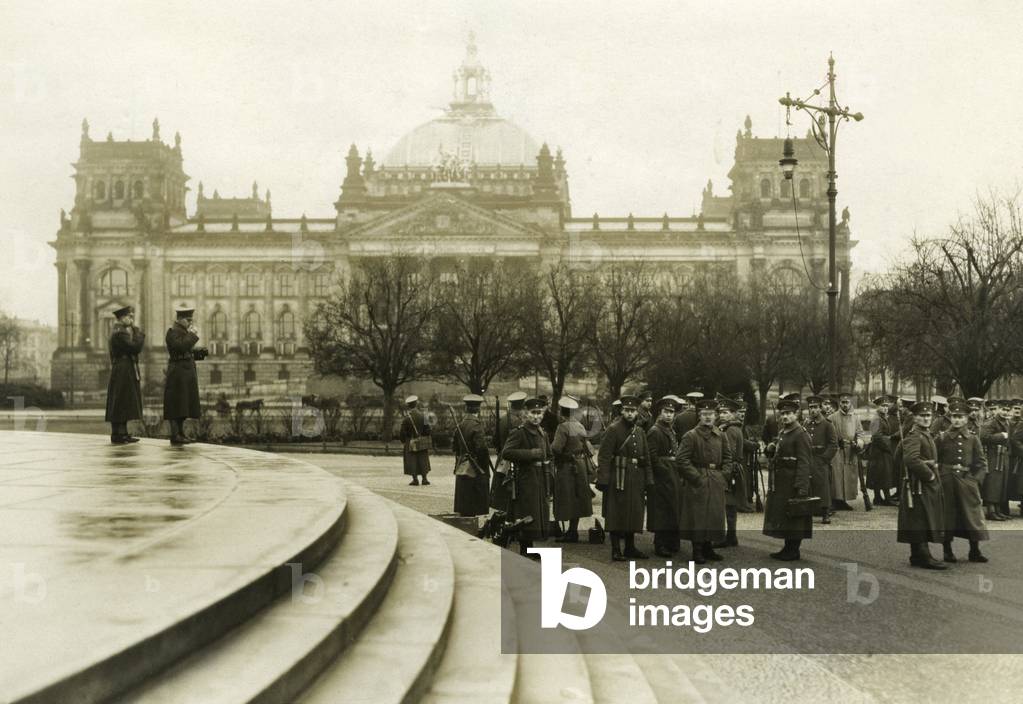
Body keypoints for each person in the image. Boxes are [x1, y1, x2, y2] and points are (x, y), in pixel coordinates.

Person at [597, 394, 653, 561]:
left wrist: (649, 479)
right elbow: (604, 456)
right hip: (618, 476)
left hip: (636, 478)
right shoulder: (613, 429)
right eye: (627, 410)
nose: (630, 414)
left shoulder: (640, 431)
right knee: (616, 512)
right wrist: (603, 479)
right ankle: (616, 549)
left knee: (634, 512)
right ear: (622, 410)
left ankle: (630, 547)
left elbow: (647, 457)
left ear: (637, 412)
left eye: (633, 411)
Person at [677, 398, 732, 564]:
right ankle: (697, 550)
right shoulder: (691, 436)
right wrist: (696, 478)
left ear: (715, 416)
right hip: (698, 478)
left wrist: (724, 475)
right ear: (699, 416)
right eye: (704, 414)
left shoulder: (721, 435)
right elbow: (681, 459)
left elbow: (728, 457)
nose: (708, 417)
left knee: (714, 515)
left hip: (716, 478)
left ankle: (709, 548)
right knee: (698, 516)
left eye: (711, 414)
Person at [935, 398, 989, 563]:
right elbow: (934, 459)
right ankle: (947, 551)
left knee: (972, 515)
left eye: (961, 417)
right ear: (950, 417)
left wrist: (975, 481)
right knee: (947, 515)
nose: (957, 420)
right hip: (947, 482)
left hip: (967, 482)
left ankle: (974, 550)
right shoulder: (942, 437)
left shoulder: (973, 438)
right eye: (954, 416)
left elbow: (982, 463)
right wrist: (939, 477)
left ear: (967, 419)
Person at [896, 401, 947, 570]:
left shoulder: (923, 433)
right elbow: (910, 459)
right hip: (919, 483)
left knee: (919, 516)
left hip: (921, 483)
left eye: (928, 416)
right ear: (915, 418)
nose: (926, 419)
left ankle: (916, 554)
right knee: (920, 517)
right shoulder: (915, 435)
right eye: (922, 416)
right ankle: (923, 555)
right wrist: (930, 475)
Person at [500, 397, 553, 559]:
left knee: (537, 512)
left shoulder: (542, 432)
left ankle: (530, 547)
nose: (536, 417)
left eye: (539, 413)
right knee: (526, 512)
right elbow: (506, 452)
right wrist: (530, 454)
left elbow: (549, 454)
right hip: (526, 477)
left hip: (540, 476)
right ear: (526, 414)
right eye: (533, 413)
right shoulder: (520, 432)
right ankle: (525, 548)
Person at [762, 398, 814, 560]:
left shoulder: (800, 434)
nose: (785, 417)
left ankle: (793, 549)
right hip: (782, 480)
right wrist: (771, 449)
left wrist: (802, 487)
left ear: (796, 414)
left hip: (793, 481)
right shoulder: (784, 431)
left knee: (795, 515)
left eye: (789, 413)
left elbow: (805, 462)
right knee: (785, 515)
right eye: (782, 414)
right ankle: (788, 547)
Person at [550, 396, 594, 543]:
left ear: (562, 411)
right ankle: (573, 530)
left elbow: (556, 448)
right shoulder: (579, 425)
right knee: (577, 497)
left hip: (567, 467)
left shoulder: (562, 427)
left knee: (566, 497)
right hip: (580, 465)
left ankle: (569, 533)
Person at [646, 396, 682, 557]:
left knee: (672, 508)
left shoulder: (670, 430)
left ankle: (671, 541)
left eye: (671, 412)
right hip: (662, 475)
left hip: (672, 472)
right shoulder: (655, 431)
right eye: (666, 412)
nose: (669, 415)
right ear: (660, 413)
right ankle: (660, 544)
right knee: (661, 510)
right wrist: (664, 471)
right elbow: (651, 456)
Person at [104, 305, 145, 444]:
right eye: (129, 316)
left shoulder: (118, 331)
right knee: (122, 400)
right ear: (122, 318)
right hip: (123, 368)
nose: (131, 319)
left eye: (132, 316)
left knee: (122, 400)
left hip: (123, 367)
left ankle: (122, 433)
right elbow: (135, 348)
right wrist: (138, 333)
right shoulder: (120, 333)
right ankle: (119, 434)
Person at [163, 307, 203, 445]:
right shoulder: (173, 332)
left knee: (183, 405)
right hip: (178, 373)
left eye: (191, 320)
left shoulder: (183, 332)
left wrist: (200, 353)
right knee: (176, 405)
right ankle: (175, 435)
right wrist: (192, 336)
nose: (190, 323)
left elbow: (186, 350)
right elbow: (180, 347)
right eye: (188, 320)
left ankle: (180, 433)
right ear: (180, 320)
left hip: (185, 372)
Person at [716, 396, 751, 548]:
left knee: (727, 504)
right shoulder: (735, 428)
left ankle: (728, 537)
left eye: (726, 413)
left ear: (734, 414)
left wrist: (724, 472)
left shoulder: (729, 430)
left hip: (729, 470)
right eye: (721, 412)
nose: (722, 415)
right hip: (735, 468)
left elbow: (727, 453)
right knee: (730, 505)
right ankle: (731, 536)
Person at [453, 394, 491, 517]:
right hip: (475, 466)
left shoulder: (460, 424)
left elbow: (454, 447)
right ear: (478, 409)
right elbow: (481, 448)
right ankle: (470, 521)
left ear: (466, 408)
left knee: (464, 496)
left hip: (462, 463)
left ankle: (465, 517)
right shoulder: (477, 425)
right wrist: (485, 467)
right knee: (474, 497)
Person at [803, 396, 838, 524]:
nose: (813, 410)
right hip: (807, 458)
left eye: (816, 407)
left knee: (823, 486)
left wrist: (824, 458)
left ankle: (825, 513)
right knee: (808, 485)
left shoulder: (827, 424)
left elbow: (833, 445)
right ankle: (808, 512)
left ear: (820, 408)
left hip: (820, 459)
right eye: (811, 407)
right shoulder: (806, 423)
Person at [828, 391, 862, 511]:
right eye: (842, 402)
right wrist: (837, 441)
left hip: (850, 450)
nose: (845, 405)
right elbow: (827, 434)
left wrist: (858, 443)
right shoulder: (832, 417)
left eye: (847, 402)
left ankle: (843, 500)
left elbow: (860, 433)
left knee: (848, 475)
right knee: (836, 475)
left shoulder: (856, 417)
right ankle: (835, 500)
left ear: (850, 402)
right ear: (839, 403)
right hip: (836, 450)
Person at [980, 399, 1012, 521]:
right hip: (993, 456)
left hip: (1002, 455)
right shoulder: (992, 422)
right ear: (998, 409)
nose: (1005, 412)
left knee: (1001, 483)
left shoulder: (1005, 422)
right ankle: (991, 511)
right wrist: (1001, 436)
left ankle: (997, 510)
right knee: (993, 483)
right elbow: (983, 437)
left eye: (1007, 410)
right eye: (1003, 409)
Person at [867, 395, 898, 506]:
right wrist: (888, 446)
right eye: (883, 406)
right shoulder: (877, 419)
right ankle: (884, 498)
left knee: (882, 473)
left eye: (886, 406)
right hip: (879, 451)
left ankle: (879, 498)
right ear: (878, 407)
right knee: (882, 473)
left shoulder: (883, 417)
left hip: (881, 450)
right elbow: (876, 436)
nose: (885, 408)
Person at [400, 395, 432, 486]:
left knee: (412, 459)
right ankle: (425, 479)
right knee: (423, 458)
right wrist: (423, 436)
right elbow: (428, 430)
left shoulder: (406, 418)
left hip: (411, 441)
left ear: (408, 406)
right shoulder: (424, 415)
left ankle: (415, 480)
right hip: (422, 440)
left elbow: (402, 432)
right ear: (416, 404)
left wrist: (404, 440)